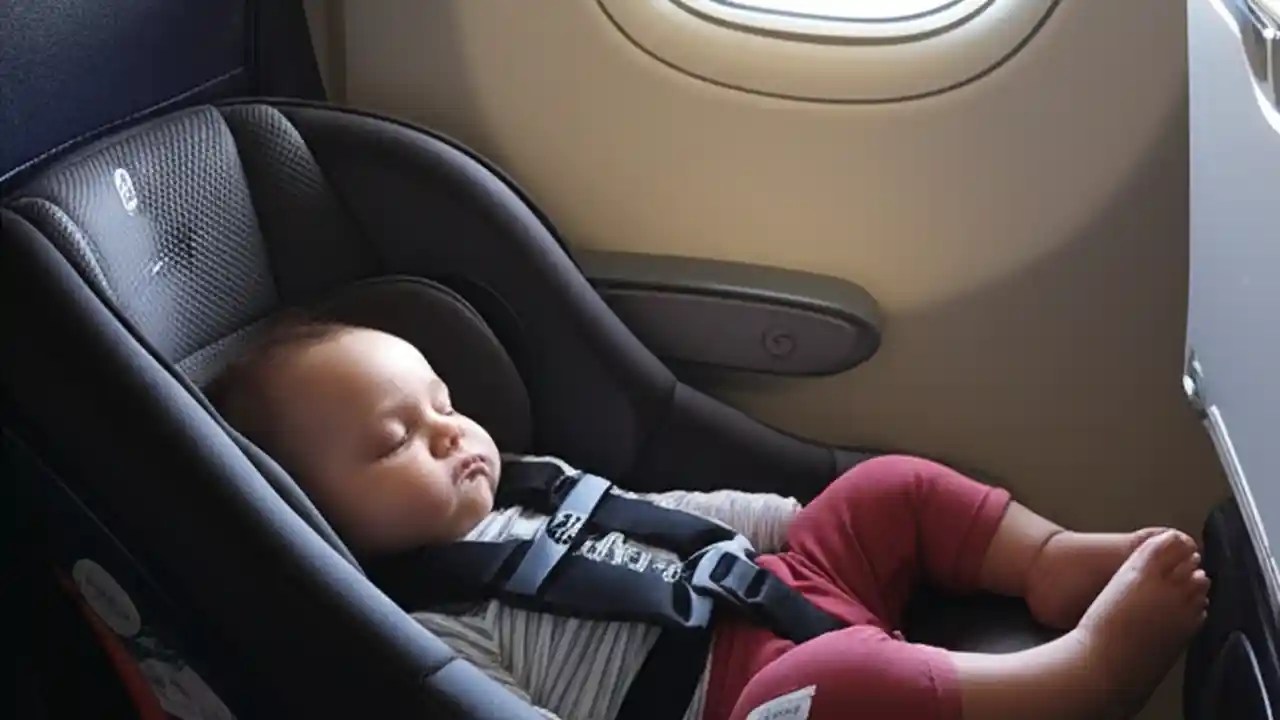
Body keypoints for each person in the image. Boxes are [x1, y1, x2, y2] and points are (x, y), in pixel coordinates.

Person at [206, 320, 1210, 720]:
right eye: (394, 442)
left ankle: (1046, 562)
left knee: (887, 486)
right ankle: (1079, 679)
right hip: (745, 699)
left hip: (784, 590)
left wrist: (787, 525)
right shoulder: (428, 633)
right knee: (847, 682)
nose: (447, 434)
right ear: (313, 514)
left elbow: (662, 519)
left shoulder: (524, 482)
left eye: (440, 403)